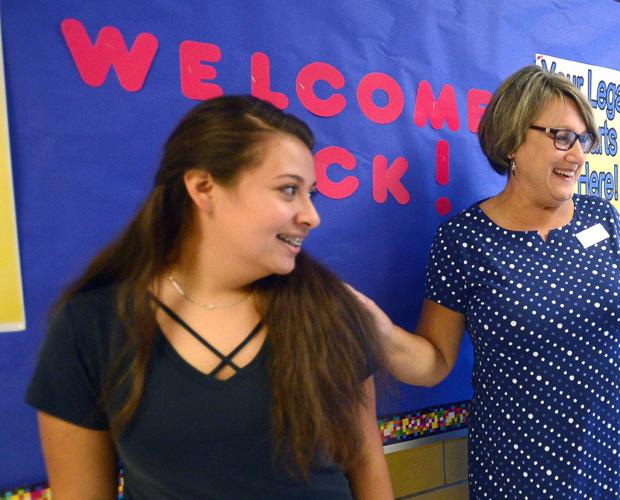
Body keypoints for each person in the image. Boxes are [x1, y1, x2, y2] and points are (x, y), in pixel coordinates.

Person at [353, 65, 620, 497]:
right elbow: (435, 359)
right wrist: (379, 333)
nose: (578, 155)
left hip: (610, 459)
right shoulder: (464, 240)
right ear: (513, 140)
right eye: (561, 137)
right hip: (518, 472)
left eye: (583, 139)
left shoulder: (603, 219)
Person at [25, 96, 392, 499]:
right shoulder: (93, 325)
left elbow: (365, 462)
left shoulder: (328, 311)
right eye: (289, 190)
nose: (311, 215)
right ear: (203, 187)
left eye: (311, 193)